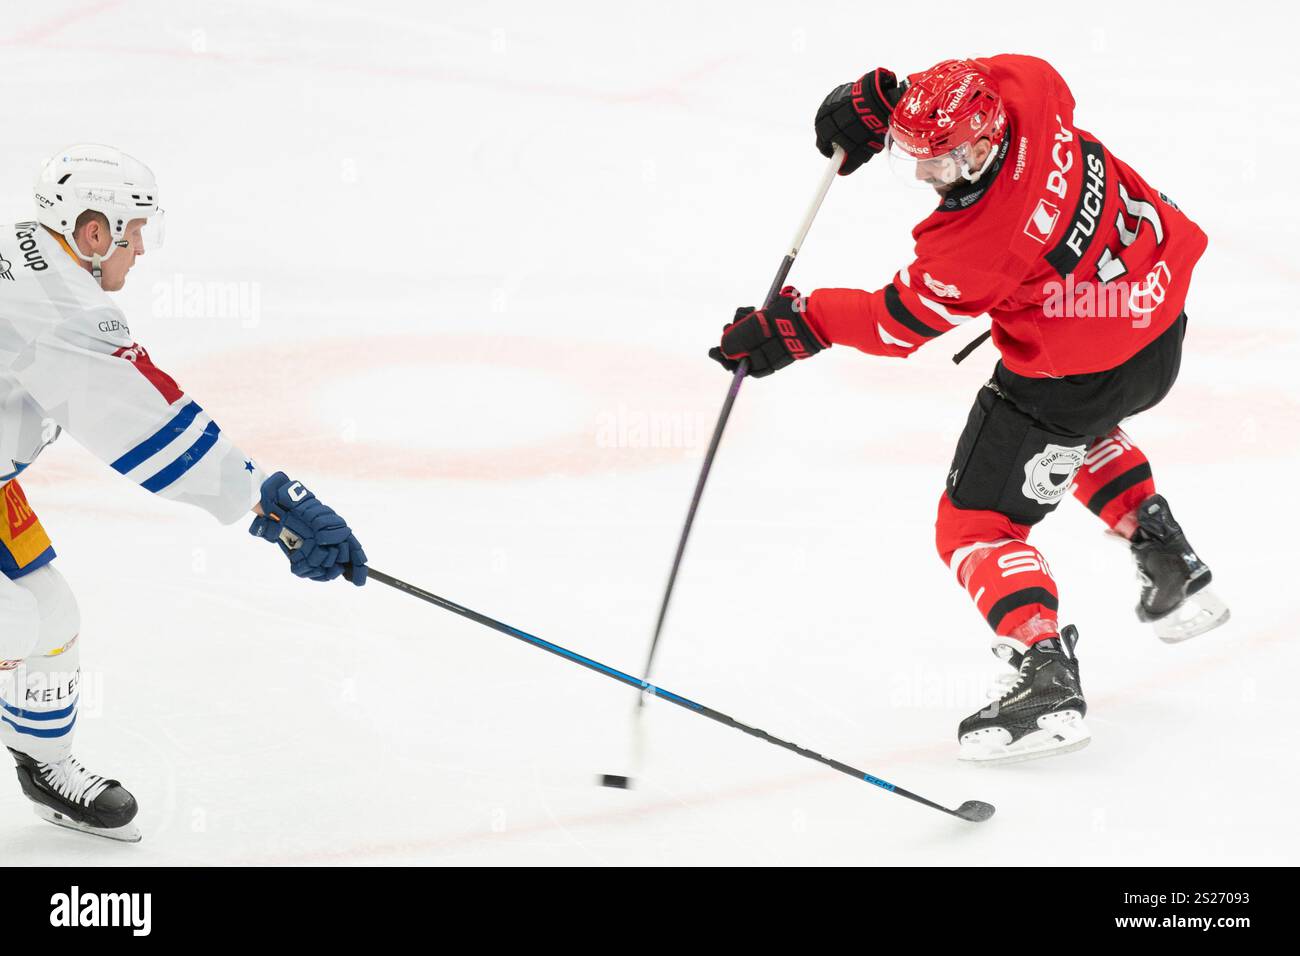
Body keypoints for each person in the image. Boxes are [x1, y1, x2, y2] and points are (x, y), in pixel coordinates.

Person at [709, 56, 1228, 764]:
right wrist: (888, 100)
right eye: (913, 157)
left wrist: (798, 326)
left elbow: (895, 326)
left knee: (976, 524)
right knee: (1072, 434)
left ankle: (1044, 670)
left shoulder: (977, 246)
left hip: (1074, 372)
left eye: (945, 161)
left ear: (984, 145)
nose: (926, 177)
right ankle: (1161, 544)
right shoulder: (1032, 87)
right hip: (1155, 330)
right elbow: (968, 76)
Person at [0, 144, 367, 841]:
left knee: (49, 616)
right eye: (133, 233)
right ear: (92, 229)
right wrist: (270, 497)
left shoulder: (21, 255)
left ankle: (45, 764)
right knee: (12, 625)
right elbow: (143, 419)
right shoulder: (60, 303)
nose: (139, 252)